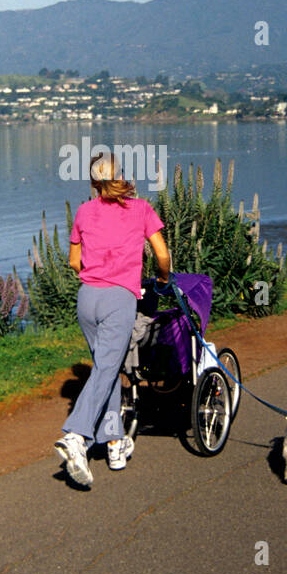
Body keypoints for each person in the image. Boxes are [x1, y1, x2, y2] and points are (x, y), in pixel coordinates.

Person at [54, 151, 171, 487]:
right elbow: (162, 254)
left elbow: (74, 261)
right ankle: (77, 435)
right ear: (119, 175)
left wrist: (94, 270)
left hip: (87, 300)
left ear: (93, 182)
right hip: (119, 299)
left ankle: (115, 444)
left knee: (106, 370)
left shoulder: (83, 211)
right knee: (106, 369)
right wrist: (163, 279)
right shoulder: (141, 209)